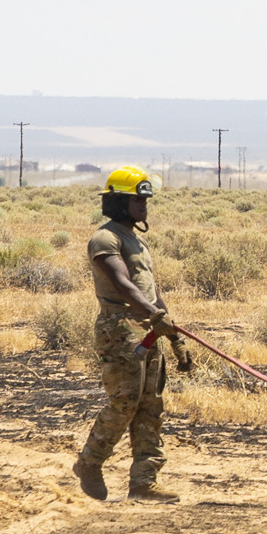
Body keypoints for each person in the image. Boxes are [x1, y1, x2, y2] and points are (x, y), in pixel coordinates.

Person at [76, 166, 185, 503]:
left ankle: (144, 482)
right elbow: (122, 284)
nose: (144, 206)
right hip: (120, 329)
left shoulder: (137, 240)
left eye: (145, 201)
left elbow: (150, 292)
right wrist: (151, 314)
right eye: (138, 200)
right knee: (125, 402)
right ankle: (89, 463)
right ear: (119, 201)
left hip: (147, 328)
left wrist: (173, 335)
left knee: (151, 406)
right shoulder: (105, 238)